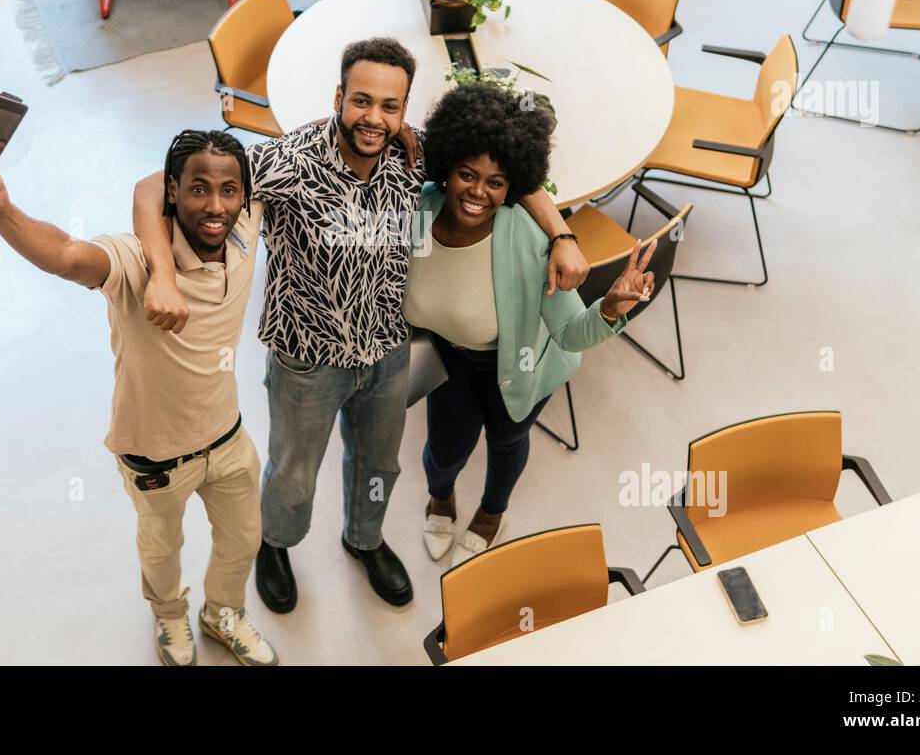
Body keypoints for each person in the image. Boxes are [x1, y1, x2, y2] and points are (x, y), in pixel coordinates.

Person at [132, 38, 591, 614]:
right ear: (338, 98)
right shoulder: (288, 163)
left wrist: (562, 235)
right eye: (362, 101)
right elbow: (153, 186)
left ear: (403, 111)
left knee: (379, 464)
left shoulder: (412, 159)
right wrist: (162, 275)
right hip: (307, 360)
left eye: (389, 106)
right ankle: (275, 544)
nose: (374, 117)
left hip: (388, 352)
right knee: (295, 473)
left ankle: (365, 539)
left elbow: (506, 172)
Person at [0, 130, 278, 666]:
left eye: (229, 191)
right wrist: (4, 214)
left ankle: (223, 614)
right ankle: (170, 614)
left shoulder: (245, 225)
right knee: (162, 550)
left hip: (228, 439)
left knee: (244, 539)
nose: (216, 206)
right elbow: (66, 255)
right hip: (156, 458)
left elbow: (156, 183)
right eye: (198, 189)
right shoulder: (135, 260)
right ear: (174, 193)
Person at [404, 82, 656, 564]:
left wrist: (609, 308)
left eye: (496, 182)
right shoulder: (416, 210)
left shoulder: (527, 235)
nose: (478, 192)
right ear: (446, 168)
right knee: (444, 450)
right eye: (466, 174)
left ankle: (491, 512)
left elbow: (569, 333)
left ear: (513, 188)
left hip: (519, 363)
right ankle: (440, 498)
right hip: (443, 357)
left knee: (507, 440)